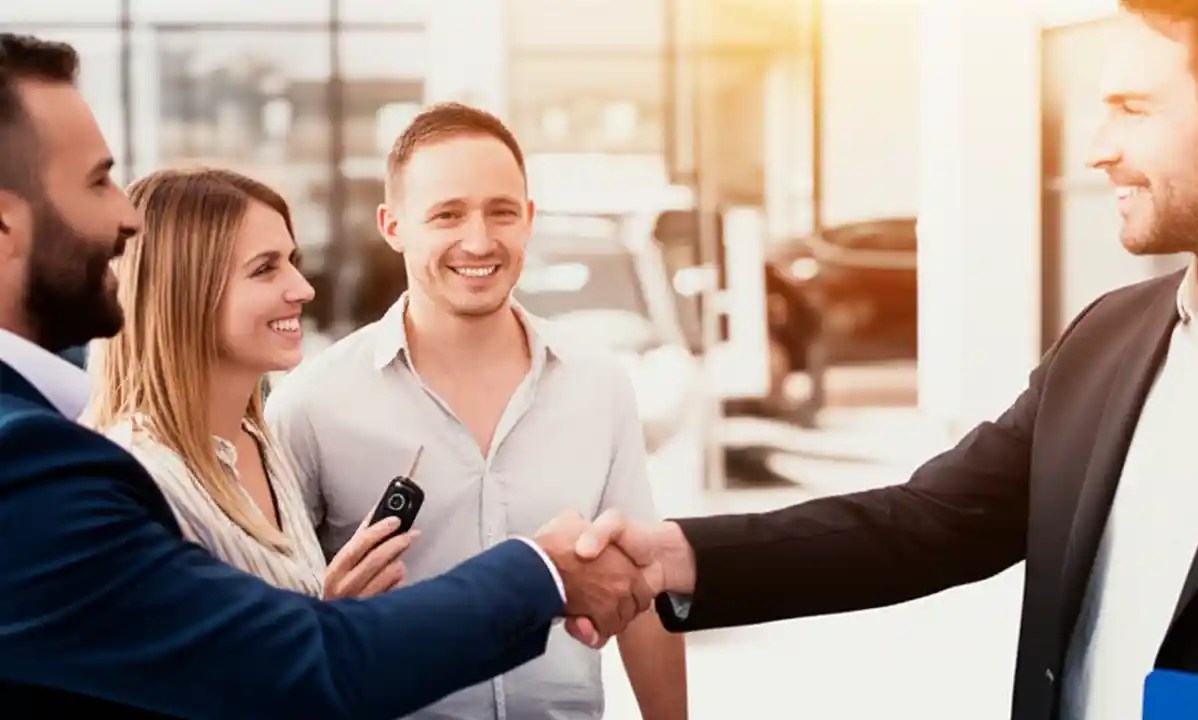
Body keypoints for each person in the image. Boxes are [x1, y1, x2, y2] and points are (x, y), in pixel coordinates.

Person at [572, 2, 1198, 719]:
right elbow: (925, 526)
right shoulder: (1109, 338)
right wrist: (675, 557)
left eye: (1135, 109)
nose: (1098, 149)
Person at [0, 32, 653, 718]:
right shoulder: (65, 465)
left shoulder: (253, 440)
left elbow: (271, 654)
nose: (127, 215)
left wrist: (327, 616)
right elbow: (288, 668)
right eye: (98, 180)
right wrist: (540, 570)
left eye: (292, 260)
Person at [265, 102, 688, 720]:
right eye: (447, 215)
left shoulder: (599, 386)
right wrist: (325, 610)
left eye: (501, 212)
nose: (479, 241)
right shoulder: (310, 403)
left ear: (529, 220)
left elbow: (644, 591)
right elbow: (266, 637)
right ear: (393, 226)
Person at [83, 167, 415, 600]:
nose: (303, 289)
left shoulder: (256, 436)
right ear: (186, 291)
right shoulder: (139, 477)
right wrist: (329, 624)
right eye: (265, 269)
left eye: (292, 263)